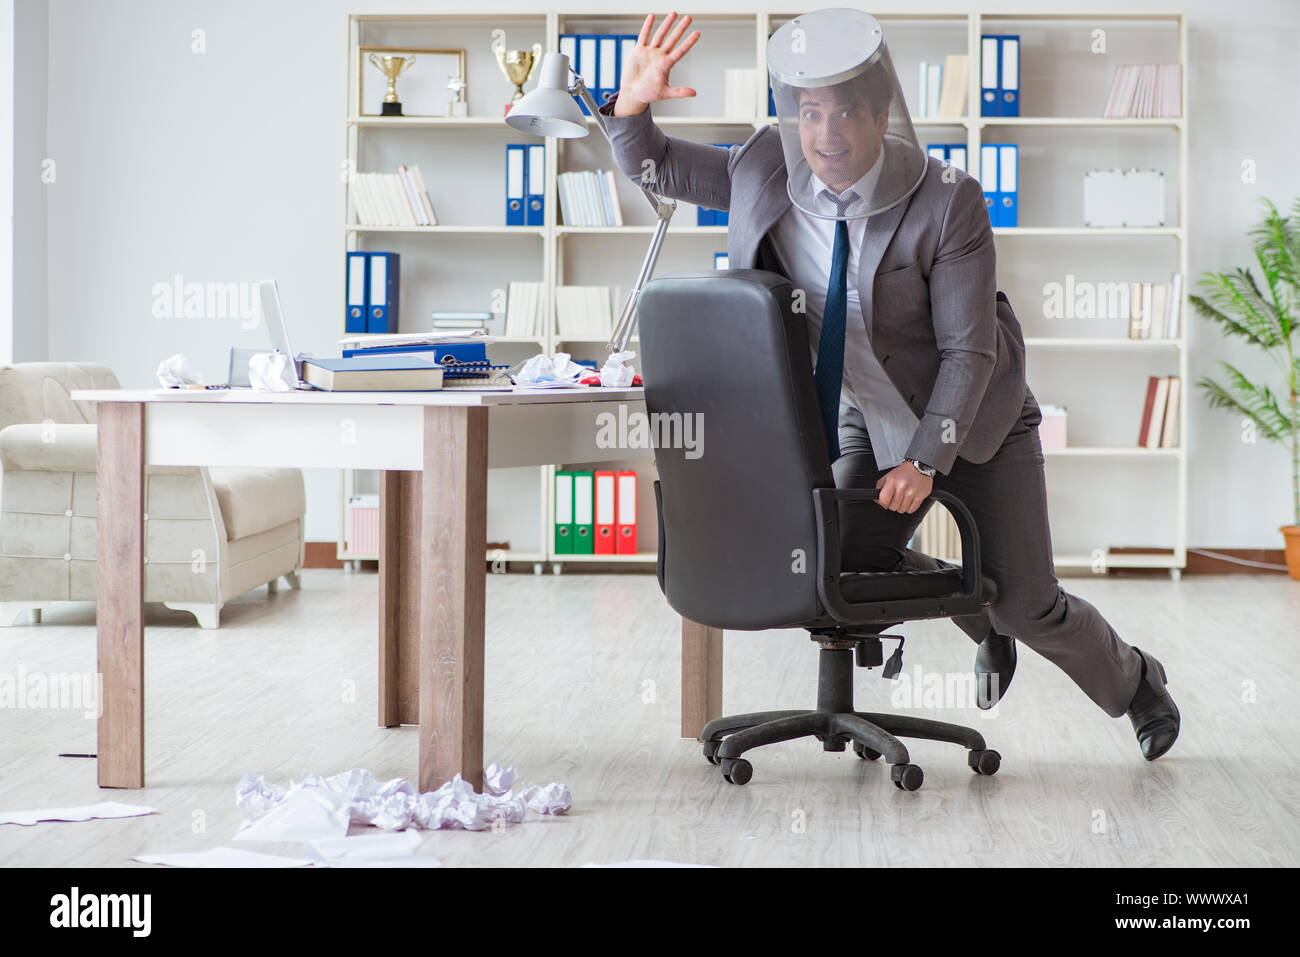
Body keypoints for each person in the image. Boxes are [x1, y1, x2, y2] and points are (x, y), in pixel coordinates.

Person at [599, 10, 1180, 759]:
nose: (827, 132)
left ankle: (1136, 682)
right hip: (866, 416)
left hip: (977, 425)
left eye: (846, 110)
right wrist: (632, 104)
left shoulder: (948, 200)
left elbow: (970, 351)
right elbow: (656, 168)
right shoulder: (763, 168)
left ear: (881, 116)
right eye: (810, 111)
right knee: (830, 555)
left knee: (1030, 603)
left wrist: (925, 461)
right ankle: (980, 611)